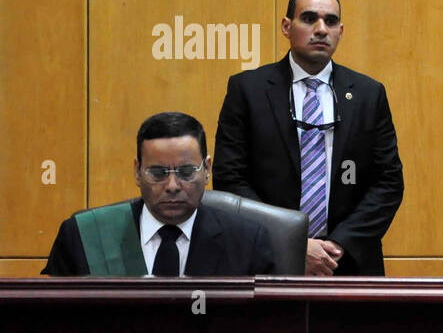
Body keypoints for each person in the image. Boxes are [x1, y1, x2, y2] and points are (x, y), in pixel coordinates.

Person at [213, 0, 403, 276]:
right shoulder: (247, 90)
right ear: (286, 26)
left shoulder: (368, 94)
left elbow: (388, 184)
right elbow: (230, 180)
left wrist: (337, 246)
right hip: (266, 261)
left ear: (341, 31)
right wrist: (292, 243)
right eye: (309, 18)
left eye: (330, 21)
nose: (321, 29)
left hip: (348, 264)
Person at [43, 112, 275, 276]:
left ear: (207, 170)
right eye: (158, 172)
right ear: (137, 172)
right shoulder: (83, 237)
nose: (172, 185)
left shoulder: (247, 242)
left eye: (186, 172)